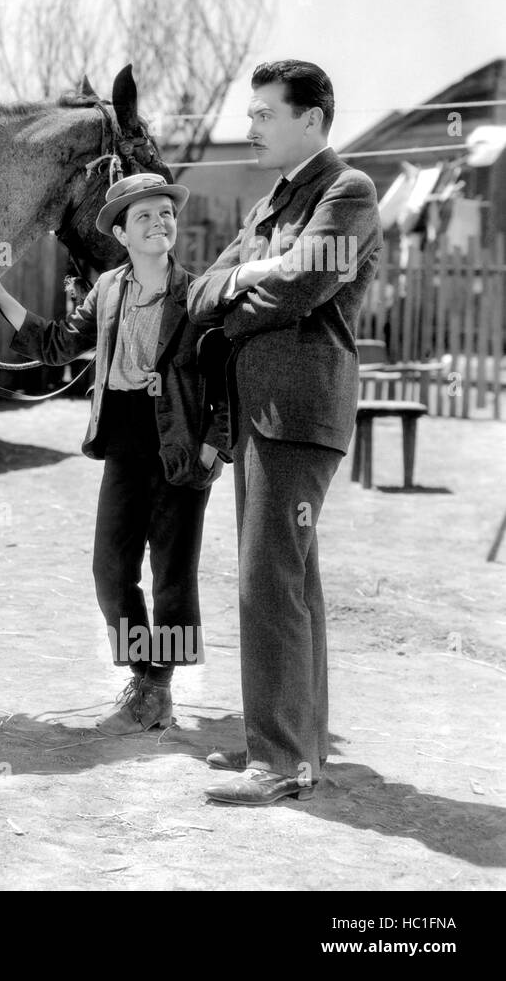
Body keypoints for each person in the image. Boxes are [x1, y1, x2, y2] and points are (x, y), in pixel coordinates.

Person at [187, 60, 380, 805]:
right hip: (262, 412)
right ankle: (300, 754)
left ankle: (280, 759)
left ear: (313, 118)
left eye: (265, 112)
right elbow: (206, 286)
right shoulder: (274, 200)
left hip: (299, 411)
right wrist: (249, 275)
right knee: (290, 578)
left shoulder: (347, 191)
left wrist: (243, 291)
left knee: (268, 579)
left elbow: (304, 283)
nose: (251, 125)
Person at [0, 172, 229, 735]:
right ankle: (145, 673)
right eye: (143, 216)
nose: (158, 222)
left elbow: (229, 376)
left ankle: (157, 691)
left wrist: (217, 445)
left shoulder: (198, 296)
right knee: (111, 569)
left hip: (182, 445)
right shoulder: (109, 289)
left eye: (165, 212)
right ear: (121, 232)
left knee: (172, 575)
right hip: (124, 441)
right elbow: (55, 344)